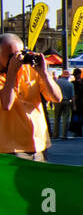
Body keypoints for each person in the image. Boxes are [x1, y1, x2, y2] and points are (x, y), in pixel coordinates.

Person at [0, 33, 59, 161]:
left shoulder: (31, 70)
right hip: (10, 149)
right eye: (11, 56)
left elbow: (57, 98)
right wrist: (11, 73)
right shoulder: (5, 75)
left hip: (38, 145)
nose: (17, 59)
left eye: (20, 54)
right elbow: (6, 104)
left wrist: (44, 73)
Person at [71, 68, 83, 137]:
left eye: (76, 75)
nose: (75, 76)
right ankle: (78, 131)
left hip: (82, 102)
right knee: (77, 118)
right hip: (79, 103)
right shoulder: (74, 83)